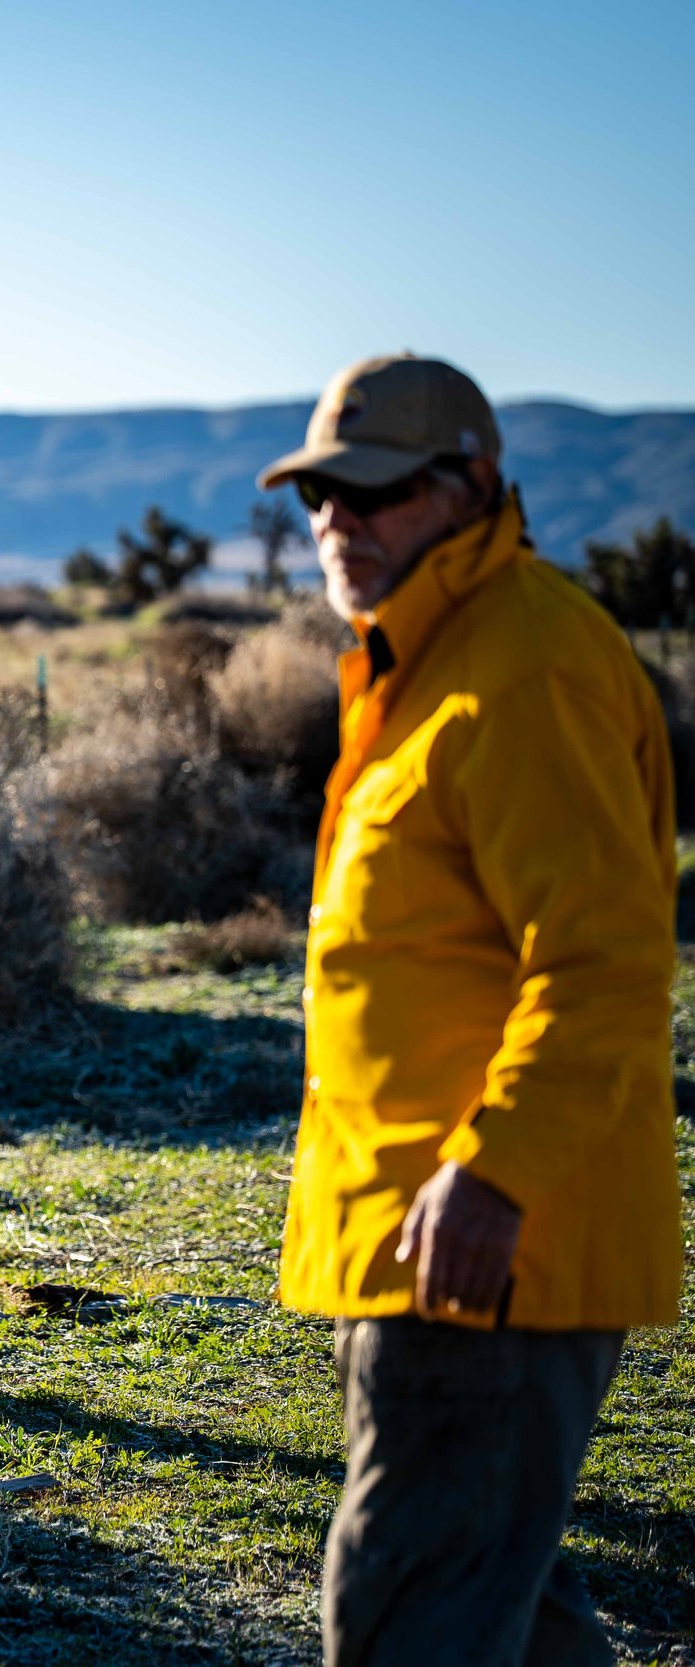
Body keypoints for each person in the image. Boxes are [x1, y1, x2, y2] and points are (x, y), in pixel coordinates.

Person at [260, 354, 682, 1666]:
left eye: (376, 490)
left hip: (489, 1249)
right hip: (428, 1235)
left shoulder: (524, 668)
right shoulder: (433, 661)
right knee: (511, 1607)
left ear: (474, 484)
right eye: (322, 491)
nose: (342, 517)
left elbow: (604, 957)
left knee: (409, 1618)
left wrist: (495, 1167)